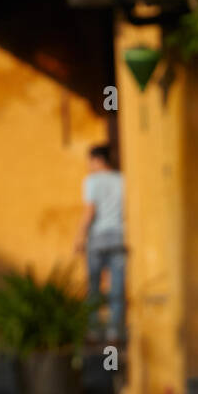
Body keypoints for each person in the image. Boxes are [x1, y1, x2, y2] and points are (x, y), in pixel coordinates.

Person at [74, 144, 126, 343]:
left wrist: (79, 236)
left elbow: (90, 211)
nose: (88, 165)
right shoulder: (122, 180)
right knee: (117, 287)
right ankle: (114, 332)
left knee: (94, 285)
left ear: (98, 160)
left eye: (90, 161)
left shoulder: (92, 181)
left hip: (98, 238)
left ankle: (94, 330)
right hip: (119, 236)